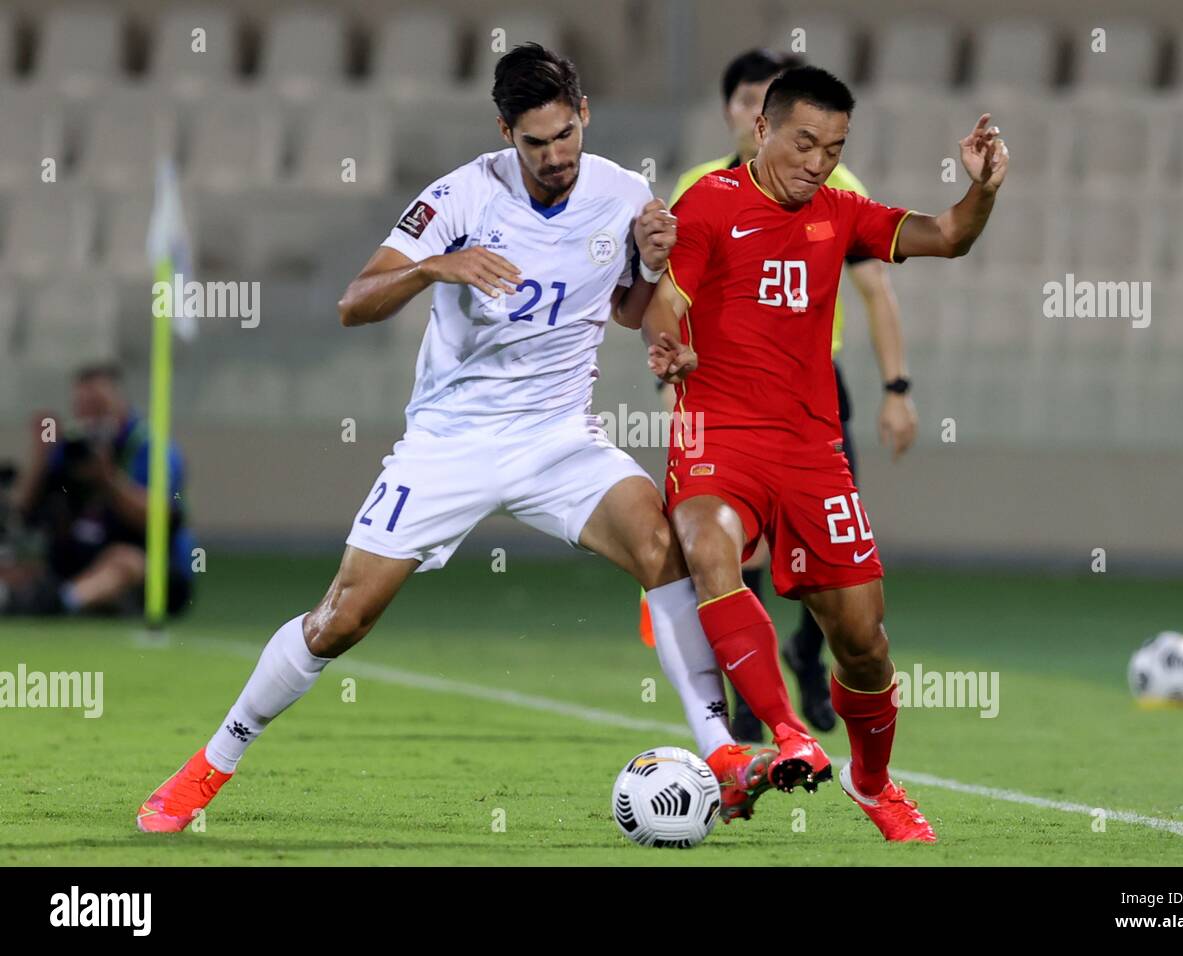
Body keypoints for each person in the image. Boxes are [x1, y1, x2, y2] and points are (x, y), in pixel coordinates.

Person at [135, 44, 781, 834]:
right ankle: (210, 765)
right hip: (451, 442)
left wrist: (650, 269)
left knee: (665, 549)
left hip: (557, 437)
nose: (555, 158)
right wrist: (438, 267)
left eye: (565, 136)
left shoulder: (623, 191)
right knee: (342, 617)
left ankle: (722, 754)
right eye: (535, 143)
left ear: (584, 116)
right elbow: (354, 302)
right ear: (506, 132)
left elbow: (626, 308)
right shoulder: (461, 195)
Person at [642, 66, 1009, 842]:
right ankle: (786, 734)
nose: (817, 161)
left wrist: (982, 190)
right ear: (763, 129)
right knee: (709, 545)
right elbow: (666, 301)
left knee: (865, 644)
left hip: (812, 448)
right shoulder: (708, 202)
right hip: (718, 435)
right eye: (805, 142)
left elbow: (947, 236)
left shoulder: (840, 212)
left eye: (833, 147)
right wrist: (670, 349)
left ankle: (872, 784)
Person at [644, 48, 918, 739]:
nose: (748, 112)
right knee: (732, 550)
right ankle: (749, 705)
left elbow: (875, 286)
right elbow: (669, 296)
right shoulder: (700, 186)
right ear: (742, 116)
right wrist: (670, 359)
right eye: (741, 100)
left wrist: (897, 386)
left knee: (824, 553)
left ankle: (806, 649)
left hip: (815, 396)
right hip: (723, 399)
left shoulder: (832, 183)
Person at [0, 363, 195, 618]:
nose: (91, 417)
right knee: (18, 565)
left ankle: (62, 601)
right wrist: (40, 457)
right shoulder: (72, 449)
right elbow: (23, 513)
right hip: (79, 558)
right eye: (83, 408)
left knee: (123, 561)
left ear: (121, 404)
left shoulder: (150, 449)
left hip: (148, 568)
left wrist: (109, 480)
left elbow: (162, 518)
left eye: (99, 406)